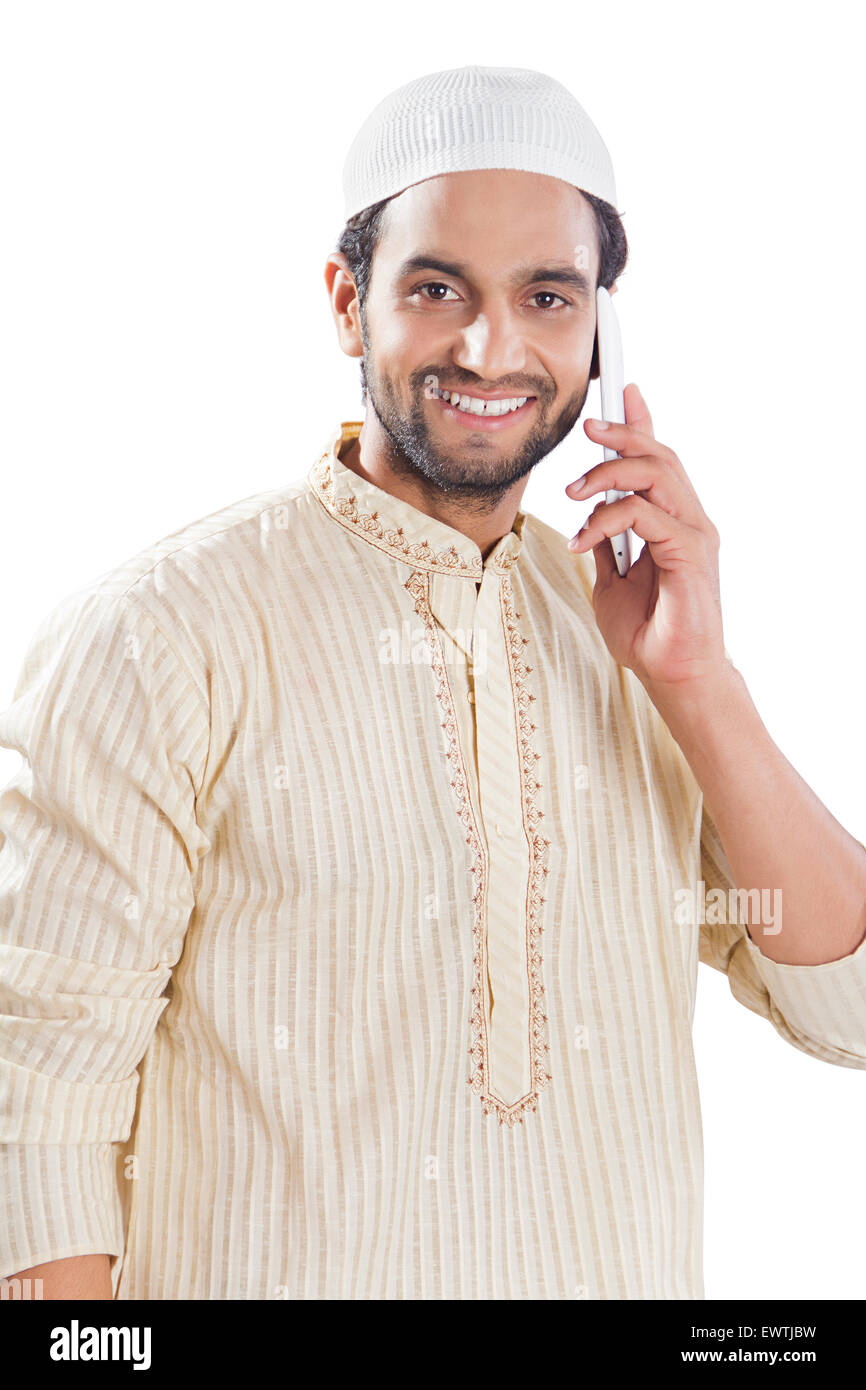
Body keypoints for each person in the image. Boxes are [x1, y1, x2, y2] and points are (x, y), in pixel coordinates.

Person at [2, 65, 865, 1302]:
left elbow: (845, 1008)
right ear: (348, 303)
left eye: (545, 296)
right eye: (435, 288)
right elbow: (36, 1123)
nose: (490, 346)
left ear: (600, 331)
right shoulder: (162, 634)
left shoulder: (632, 641)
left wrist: (699, 681)